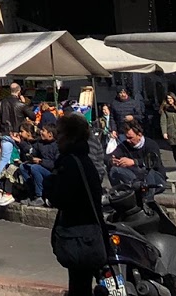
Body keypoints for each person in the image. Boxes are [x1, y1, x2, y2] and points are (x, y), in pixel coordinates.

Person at [44, 113, 105, 296]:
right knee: (83, 283)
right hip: (90, 229)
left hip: (79, 232)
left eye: (60, 133)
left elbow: (62, 197)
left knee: (79, 285)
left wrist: (49, 184)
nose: (56, 138)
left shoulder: (70, 162)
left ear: (71, 136)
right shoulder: (84, 159)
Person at [107, 121, 165, 193]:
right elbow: (108, 156)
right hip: (136, 177)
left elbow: (154, 162)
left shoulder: (151, 144)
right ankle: (118, 192)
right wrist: (112, 160)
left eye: (130, 137)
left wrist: (134, 162)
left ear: (139, 135)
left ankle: (148, 197)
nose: (128, 140)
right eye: (126, 137)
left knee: (148, 170)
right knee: (113, 169)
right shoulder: (125, 145)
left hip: (155, 178)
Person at [0, 81, 25, 186]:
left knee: (4, 158)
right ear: (19, 91)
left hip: (5, 133)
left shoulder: (2, 103)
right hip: (18, 134)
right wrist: (24, 103)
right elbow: (32, 116)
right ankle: (17, 182)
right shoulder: (20, 104)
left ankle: (0, 183)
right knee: (19, 158)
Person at [159, 93, 176, 169]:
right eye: (168, 99)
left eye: (171, 98)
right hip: (171, 132)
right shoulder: (165, 110)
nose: (169, 100)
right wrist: (164, 132)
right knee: (174, 149)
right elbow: (163, 122)